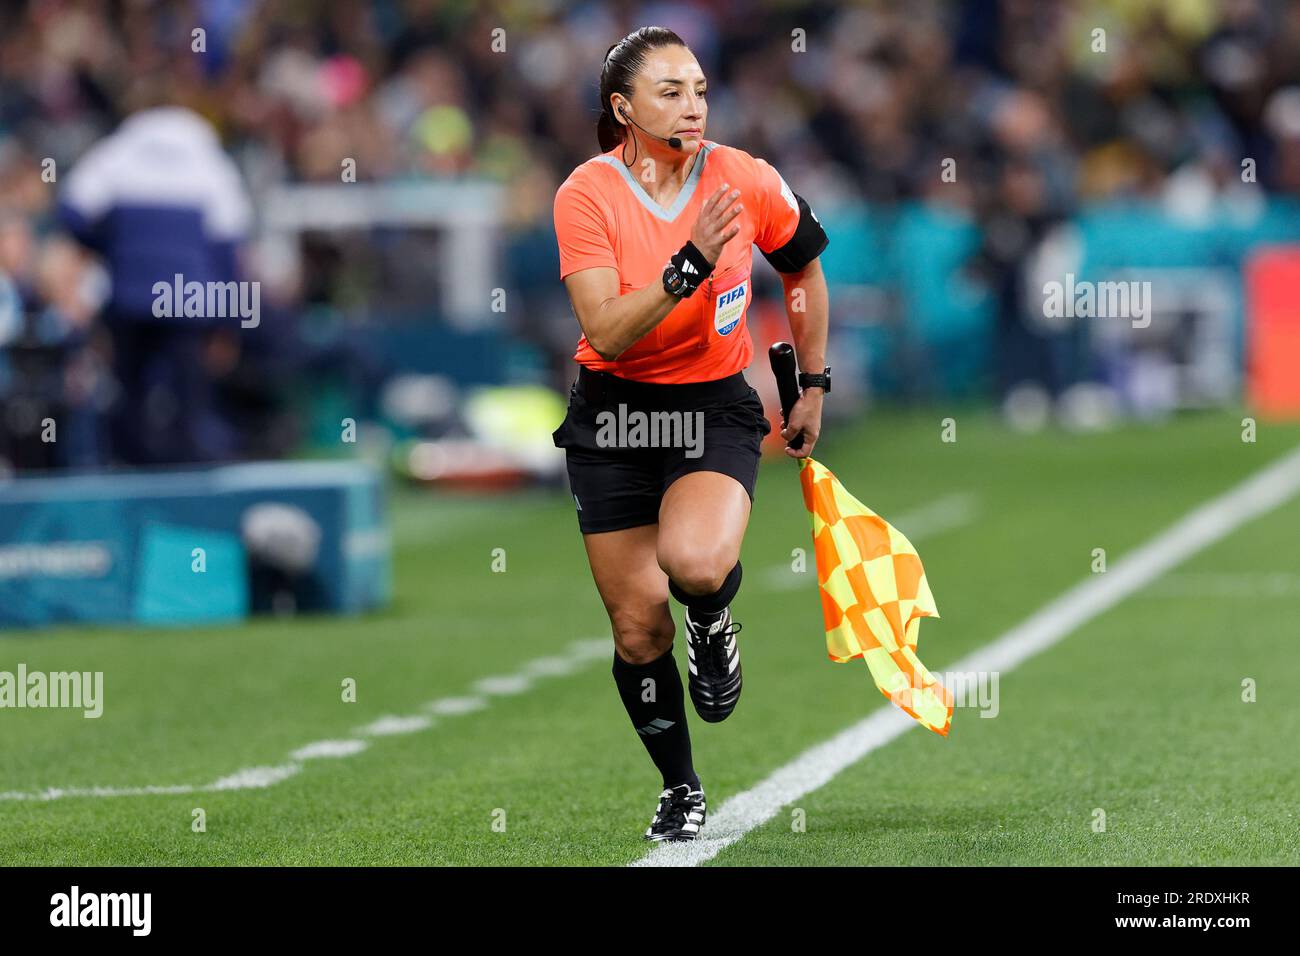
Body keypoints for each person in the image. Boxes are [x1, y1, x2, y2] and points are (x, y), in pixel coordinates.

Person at [551, 26, 831, 842]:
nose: (693, 105)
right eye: (669, 92)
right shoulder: (586, 194)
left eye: (700, 89)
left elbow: (805, 267)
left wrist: (812, 383)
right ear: (623, 108)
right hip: (614, 414)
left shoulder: (745, 177)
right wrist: (687, 266)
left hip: (711, 407)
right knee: (638, 626)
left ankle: (713, 619)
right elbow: (604, 331)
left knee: (698, 564)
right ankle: (679, 786)